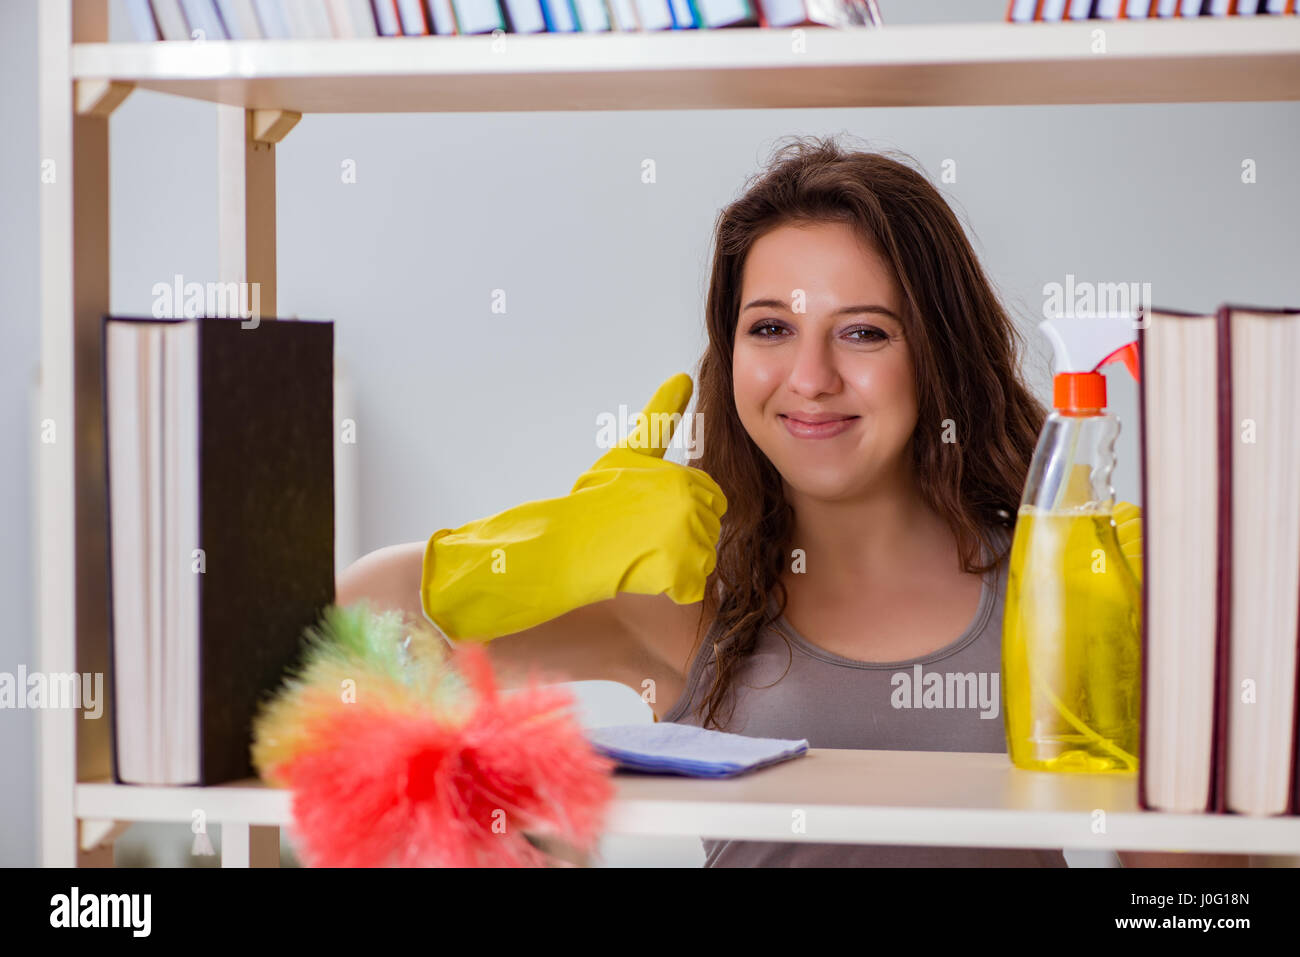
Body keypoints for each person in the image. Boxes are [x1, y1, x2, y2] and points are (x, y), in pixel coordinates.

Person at [336, 135, 1247, 868]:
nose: (810, 379)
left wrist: (1168, 674)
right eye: (770, 327)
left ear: (935, 356)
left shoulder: (1052, 590)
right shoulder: (685, 597)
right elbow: (339, 625)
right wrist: (543, 548)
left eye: (862, 332)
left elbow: (1202, 902)